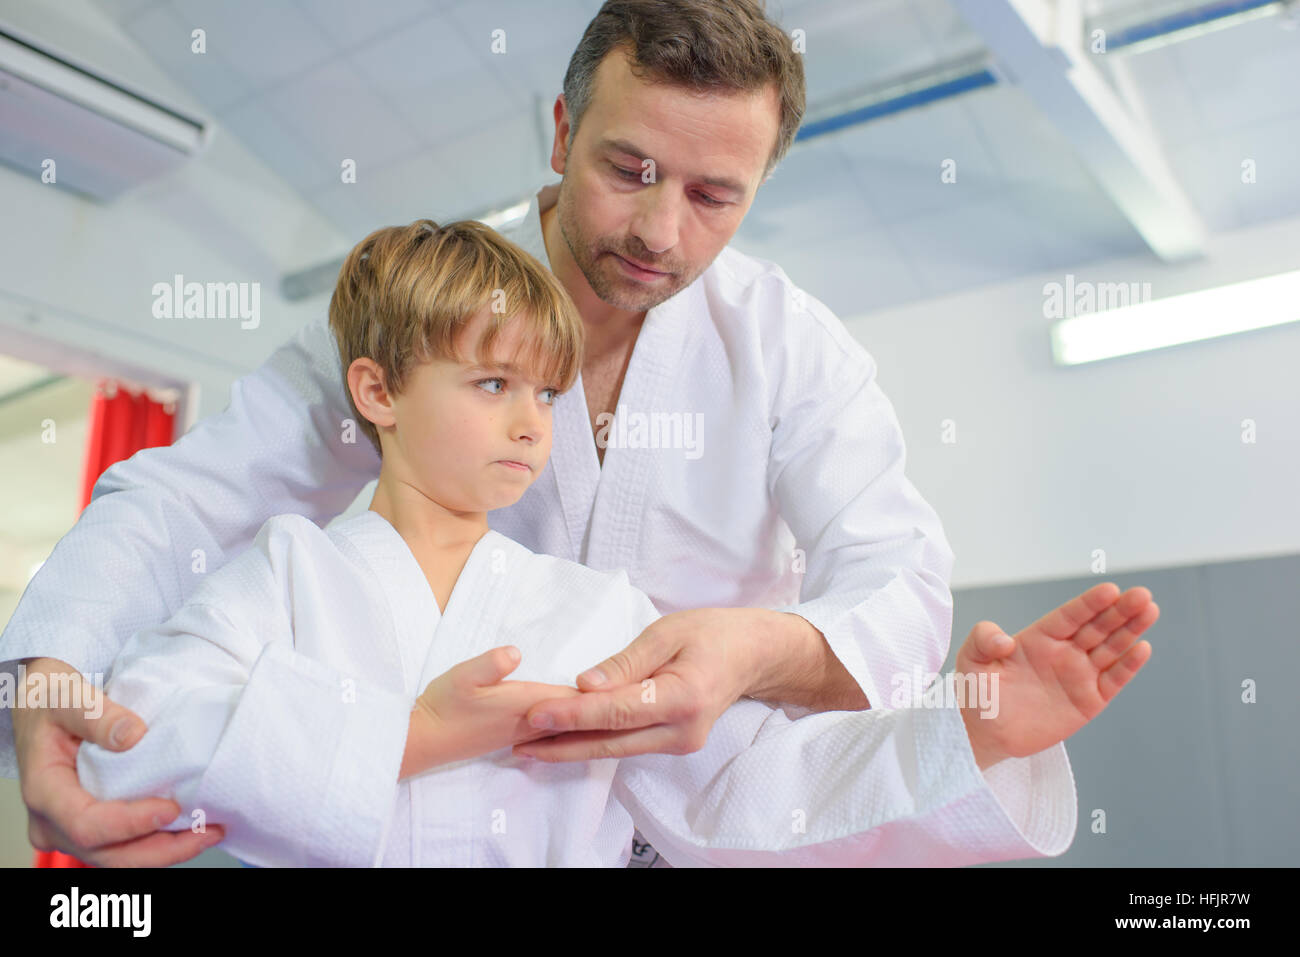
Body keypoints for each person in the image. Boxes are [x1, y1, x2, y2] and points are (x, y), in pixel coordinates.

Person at [0, 0, 1156, 866]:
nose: (659, 228)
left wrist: (757, 653)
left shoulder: (789, 348)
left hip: (705, 811)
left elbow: (896, 584)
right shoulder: (421, 313)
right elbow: (186, 503)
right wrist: (53, 672)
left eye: (713, 195)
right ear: (561, 130)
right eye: (628, 168)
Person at [73, 219, 1152, 866]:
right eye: (491, 384)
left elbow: (754, 792)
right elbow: (130, 742)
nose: (530, 422)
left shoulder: (591, 617)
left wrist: (973, 736)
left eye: (544, 391)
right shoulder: (285, 578)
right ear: (377, 391)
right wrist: (413, 736)